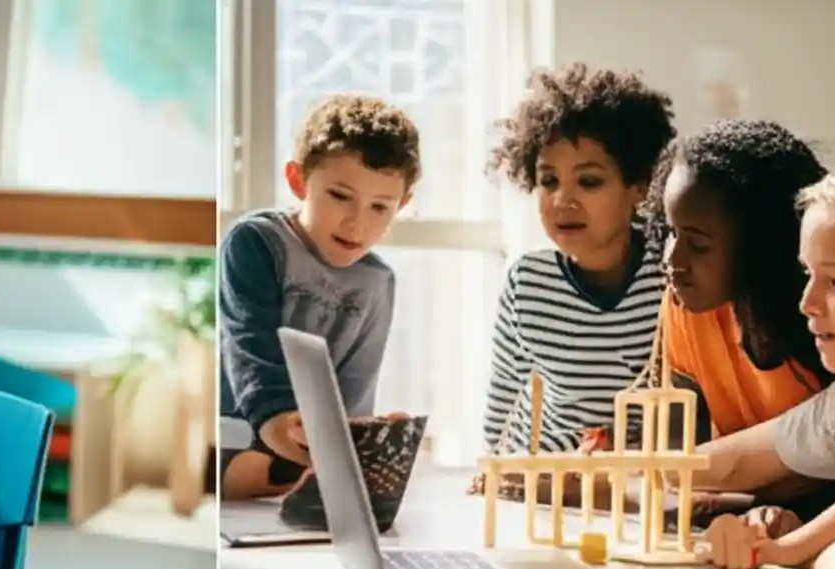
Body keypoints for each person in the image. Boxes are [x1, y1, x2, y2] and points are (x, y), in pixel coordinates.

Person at [470, 62, 676, 505]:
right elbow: (505, 388)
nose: (563, 200)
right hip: (533, 482)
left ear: (639, 186)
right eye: (548, 181)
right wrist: (489, 463)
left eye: (589, 181)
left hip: (622, 488)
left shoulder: (669, 274)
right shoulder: (528, 281)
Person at [642, 119, 835, 532]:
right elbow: (689, 462)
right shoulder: (684, 307)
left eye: (698, 244)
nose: (673, 261)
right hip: (747, 517)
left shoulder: (826, 319)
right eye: (669, 233)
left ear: (760, 242)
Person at [219, 94, 420, 500]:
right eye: (340, 196)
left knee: (374, 445)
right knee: (248, 465)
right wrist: (282, 424)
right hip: (242, 429)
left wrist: (361, 439)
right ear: (298, 181)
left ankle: (314, 470)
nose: (356, 222)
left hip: (311, 445)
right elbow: (250, 349)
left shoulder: (378, 281)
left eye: (380, 207)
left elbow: (356, 387)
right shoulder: (256, 242)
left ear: (402, 205)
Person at [698, 166, 835, 569]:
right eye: (808, 274)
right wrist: (586, 476)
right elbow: (726, 464)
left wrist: (792, 547)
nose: (807, 301)